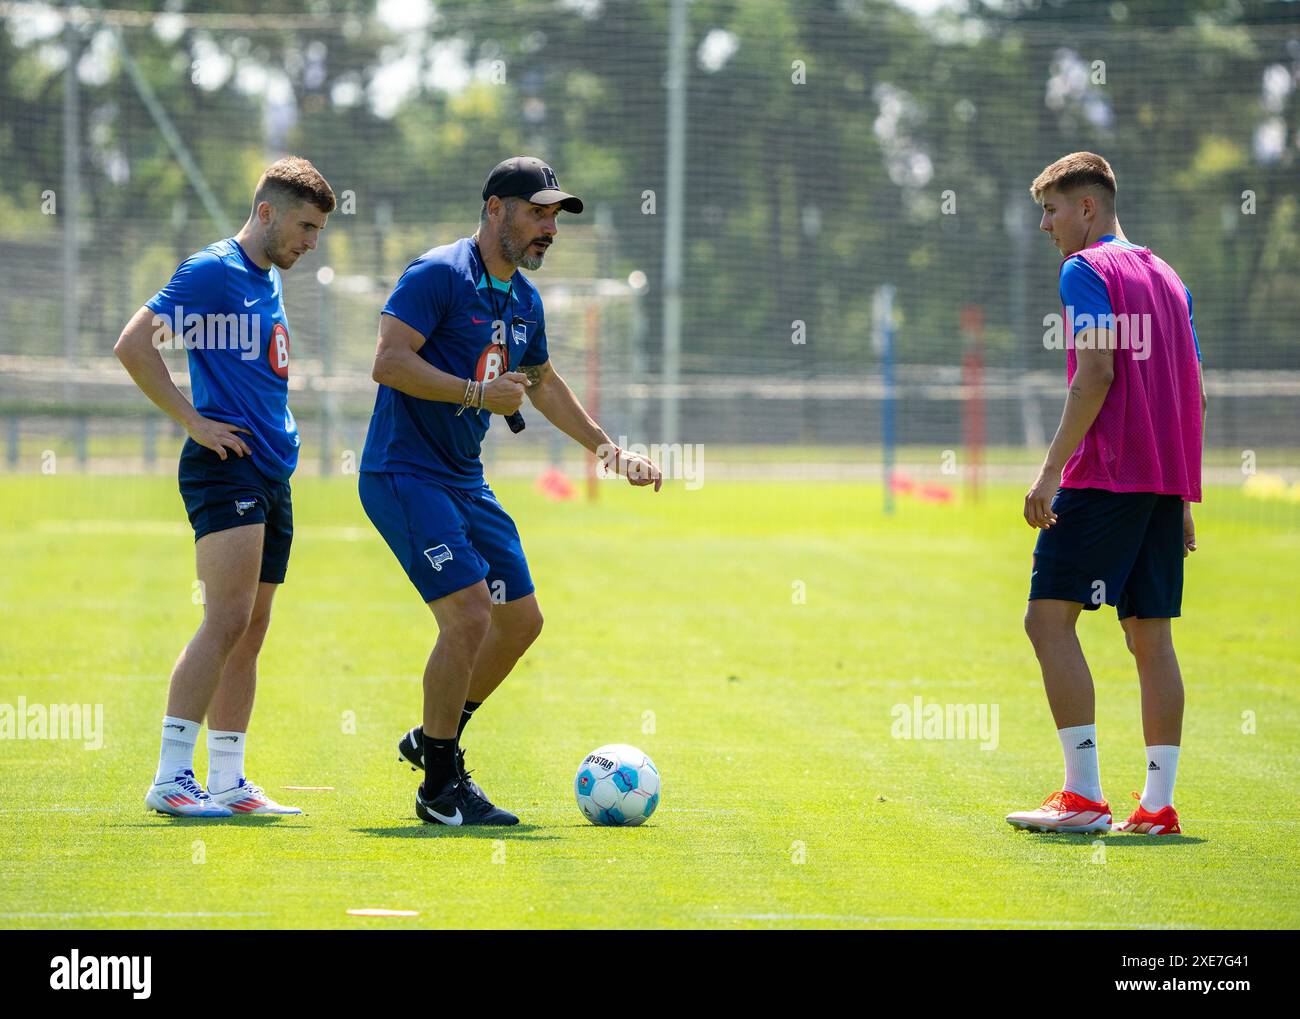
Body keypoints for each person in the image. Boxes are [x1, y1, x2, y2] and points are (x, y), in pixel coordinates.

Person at [359, 156, 662, 826]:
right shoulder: (440, 273)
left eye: (555, 216)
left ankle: (433, 739)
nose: (548, 228)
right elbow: (387, 360)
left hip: (464, 478)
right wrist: (473, 392)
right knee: (469, 615)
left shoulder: (524, 300)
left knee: (521, 620)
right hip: (403, 472)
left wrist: (610, 452)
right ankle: (440, 786)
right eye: (537, 212)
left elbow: (543, 383)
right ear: (495, 209)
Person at [114, 157, 335, 817]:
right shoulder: (213, 270)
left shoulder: (265, 277)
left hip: (270, 469)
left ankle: (231, 780)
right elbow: (133, 343)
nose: (311, 241)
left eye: (318, 230)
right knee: (227, 618)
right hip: (225, 464)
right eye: (304, 225)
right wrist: (194, 421)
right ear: (266, 212)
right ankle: (173, 775)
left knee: (253, 626)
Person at [1007, 151, 1205, 836]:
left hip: (1105, 474)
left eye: (1052, 209)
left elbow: (1096, 371)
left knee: (1047, 620)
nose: (1045, 225)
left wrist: (1050, 469)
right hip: (1158, 482)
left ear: (1087, 208)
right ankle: (1158, 807)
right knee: (1151, 635)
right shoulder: (1168, 277)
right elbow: (1193, 391)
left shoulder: (1084, 269)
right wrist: (1180, 494)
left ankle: (1084, 795)